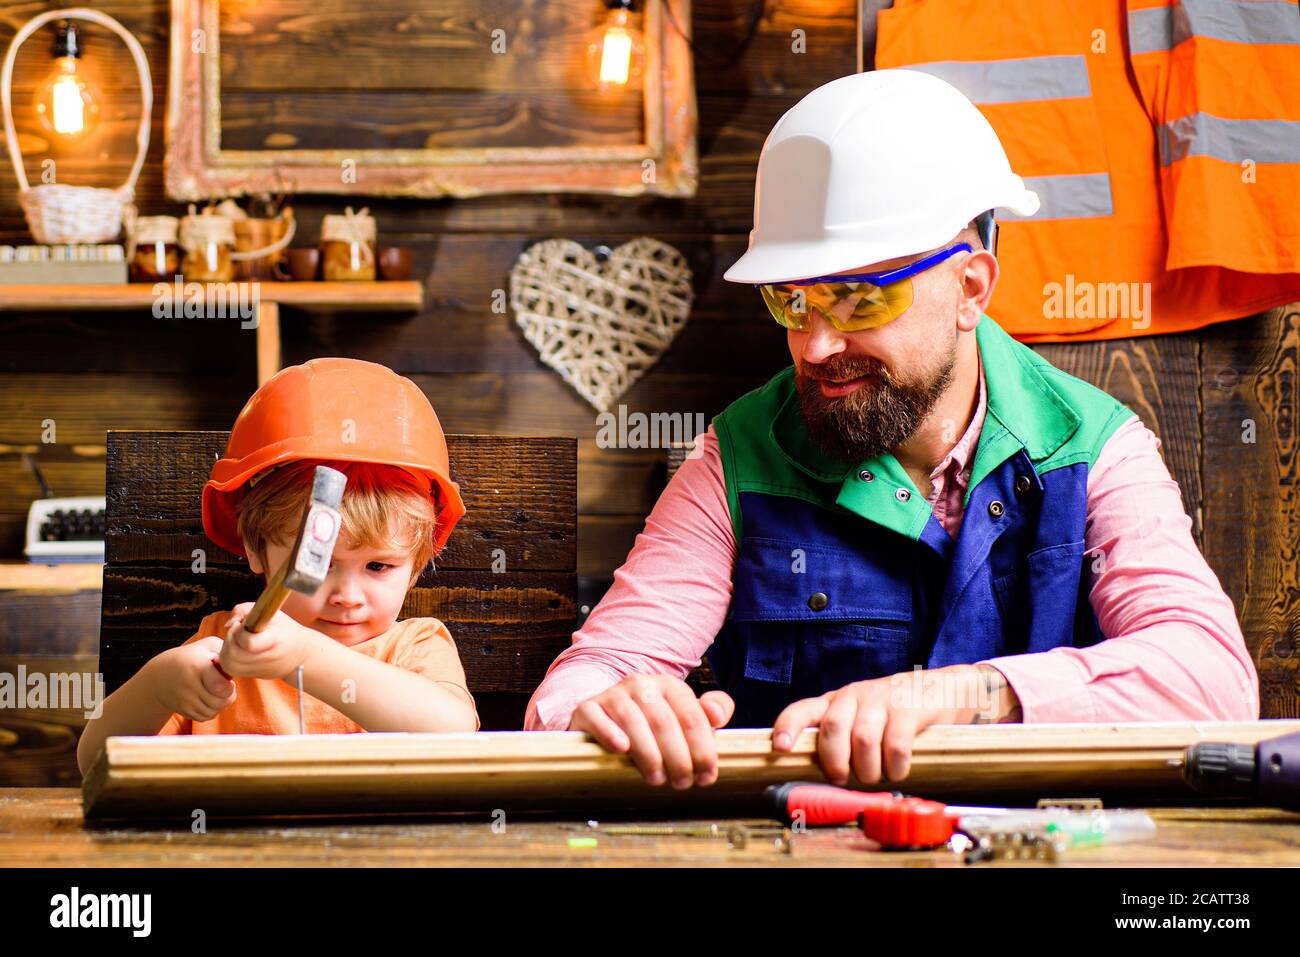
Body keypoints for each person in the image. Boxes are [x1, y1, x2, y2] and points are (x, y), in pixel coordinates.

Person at [525, 69, 1258, 791]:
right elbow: (573, 691)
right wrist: (611, 706)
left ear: (970, 288)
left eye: (857, 301)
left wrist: (967, 694)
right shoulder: (738, 457)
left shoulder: (1094, 447)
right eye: (791, 301)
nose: (814, 346)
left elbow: (1214, 679)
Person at [78, 358, 478, 774]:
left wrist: (305, 657)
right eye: (320, 565)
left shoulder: (414, 646)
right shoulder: (221, 647)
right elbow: (93, 762)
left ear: (415, 564)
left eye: (378, 566)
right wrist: (156, 688)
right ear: (256, 549)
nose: (347, 597)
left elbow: (454, 734)